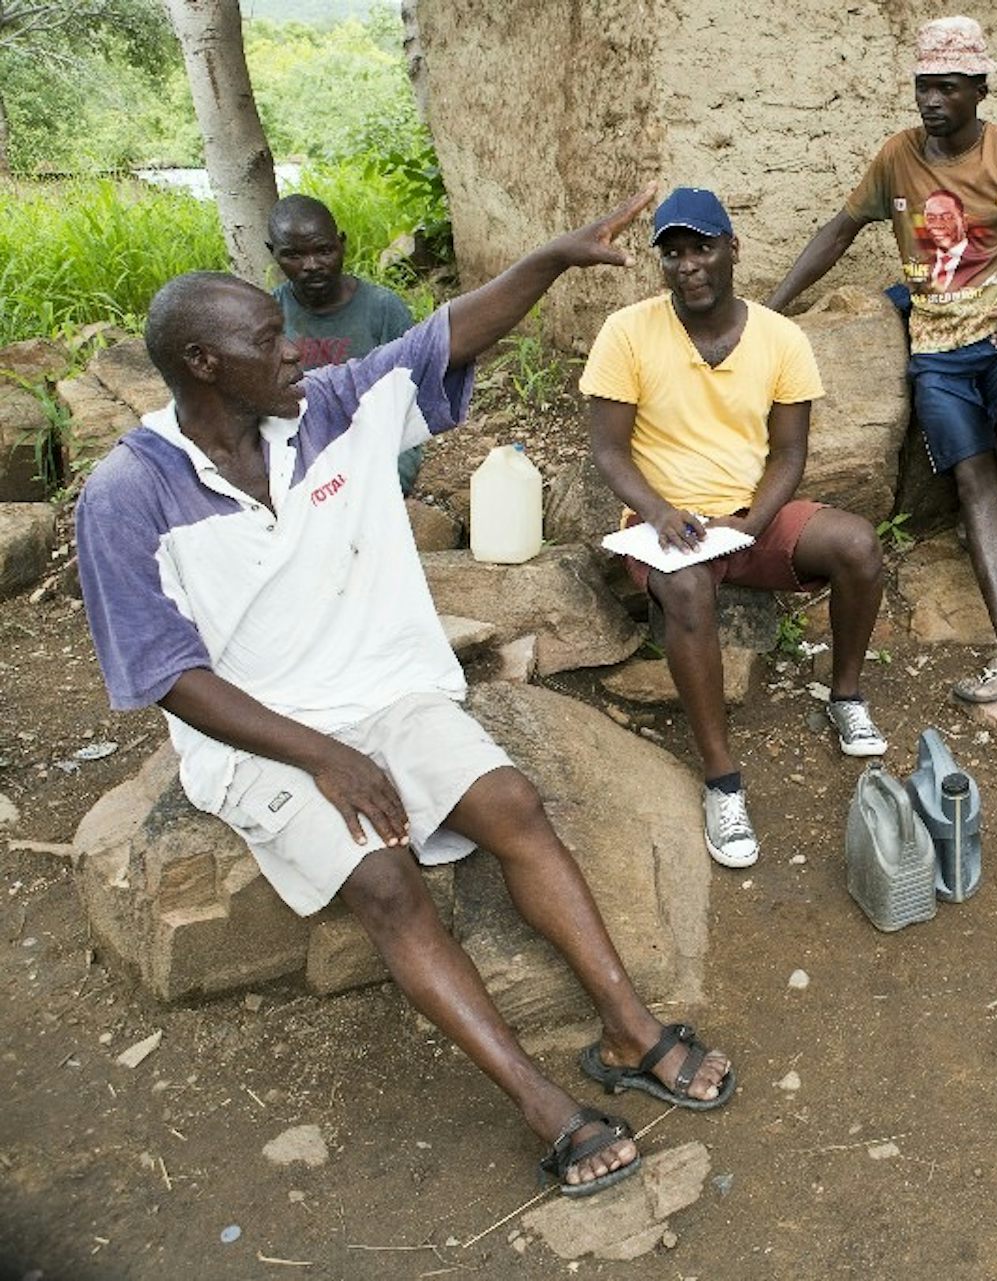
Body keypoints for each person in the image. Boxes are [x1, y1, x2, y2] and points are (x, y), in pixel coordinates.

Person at [75, 188, 734, 1202]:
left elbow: (443, 334)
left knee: (512, 802)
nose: (297, 349)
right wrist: (324, 756)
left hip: (385, 691)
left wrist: (550, 261)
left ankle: (629, 1028)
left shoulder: (327, 411)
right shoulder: (130, 496)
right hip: (261, 736)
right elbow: (168, 675)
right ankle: (538, 1101)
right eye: (268, 339)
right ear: (204, 366)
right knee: (385, 882)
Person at [766, 14, 997, 705]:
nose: (930, 101)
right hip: (936, 354)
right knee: (974, 482)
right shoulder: (896, 158)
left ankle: (986, 463)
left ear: (978, 90)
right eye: (922, 86)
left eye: (946, 88)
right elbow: (839, 231)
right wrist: (772, 307)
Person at [582, 187, 888, 871]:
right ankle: (723, 782)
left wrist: (752, 520)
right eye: (673, 253)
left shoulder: (781, 339)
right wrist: (659, 511)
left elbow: (789, 453)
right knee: (687, 590)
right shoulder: (628, 332)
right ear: (660, 263)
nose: (688, 265)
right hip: (667, 522)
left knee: (858, 545)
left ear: (732, 249)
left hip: (749, 515)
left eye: (702, 247)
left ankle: (845, 696)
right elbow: (609, 450)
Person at [266, 194, 425, 494]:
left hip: (375, 442)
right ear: (273, 253)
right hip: (298, 448)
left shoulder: (383, 309)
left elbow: (407, 404)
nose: (311, 265)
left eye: (323, 250)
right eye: (294, 255)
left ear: (341, 244)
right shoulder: (269, 314)